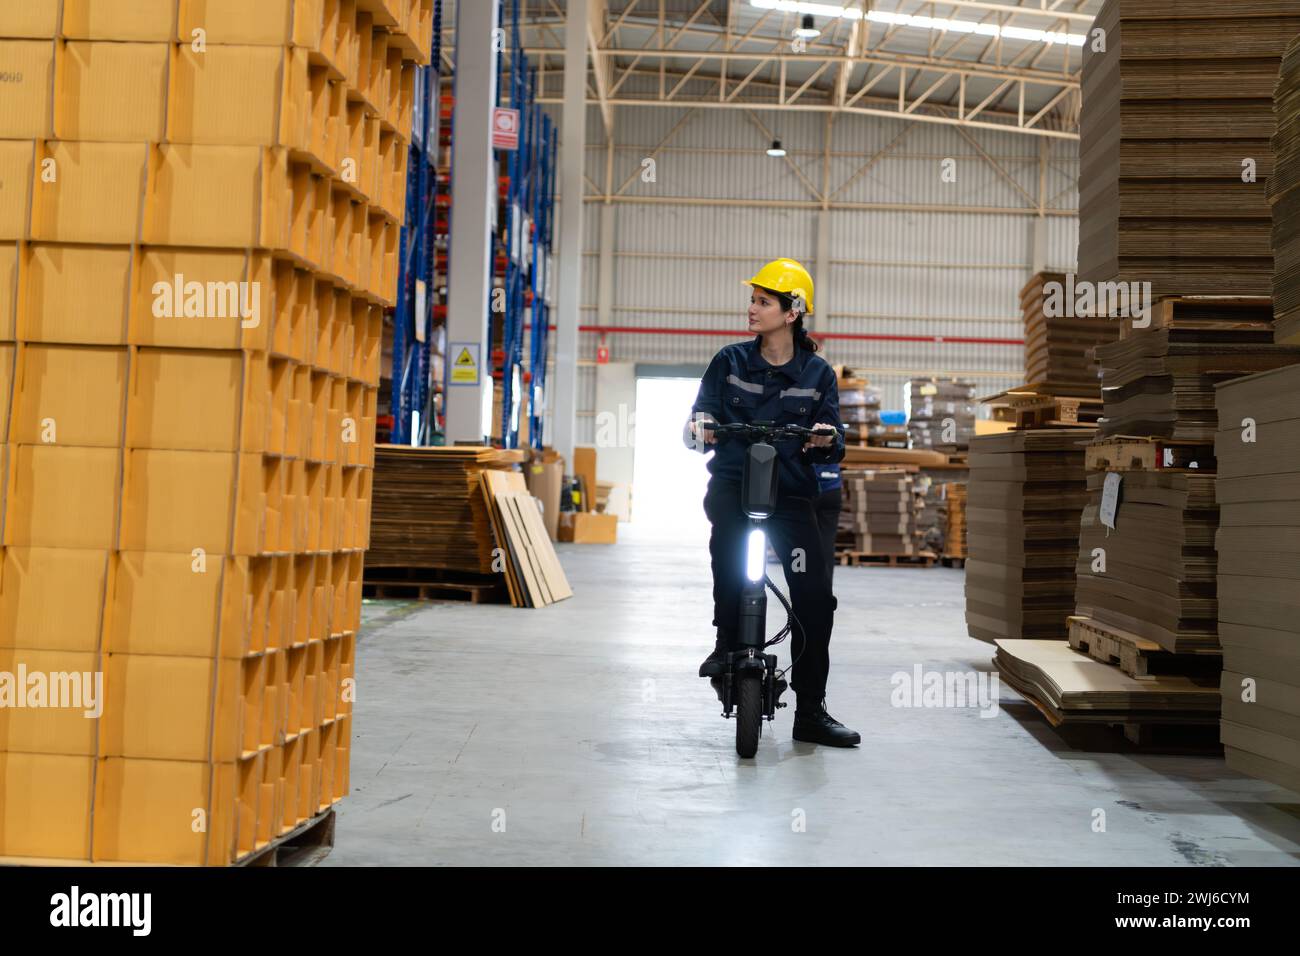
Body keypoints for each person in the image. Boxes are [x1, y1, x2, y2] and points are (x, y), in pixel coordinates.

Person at [682, 258, 860, 747]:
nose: (752, 309)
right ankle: (725, 645)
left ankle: (811, 712)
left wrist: (827, 437)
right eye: (753, 299)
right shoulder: (729, 362)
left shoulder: (818, 374)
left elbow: (835, 434)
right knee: (729, 560)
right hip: (735, 491)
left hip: (793, 497)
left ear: (792, 312)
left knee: (815, 600)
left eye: (763, 302)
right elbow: (700, 416)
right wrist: (698, 428)